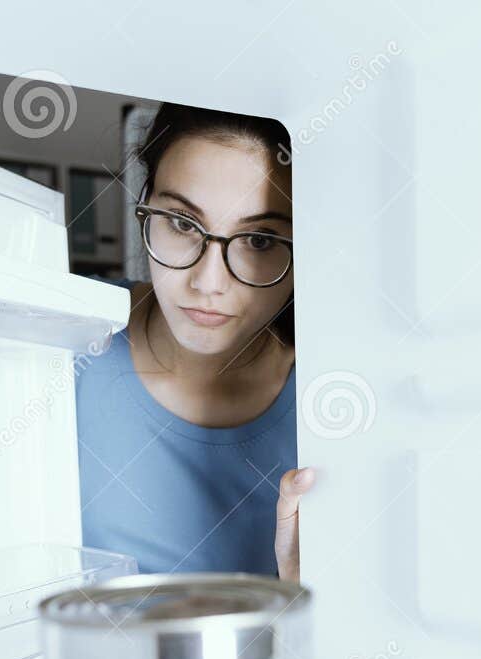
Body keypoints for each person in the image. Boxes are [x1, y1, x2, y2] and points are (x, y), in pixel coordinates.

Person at [76, 102, 313, 581]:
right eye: (183, 224)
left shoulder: (332, 398)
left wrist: (304, 588)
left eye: (260, 240)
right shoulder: (66, 329)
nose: (208, 282)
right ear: (145, 205)